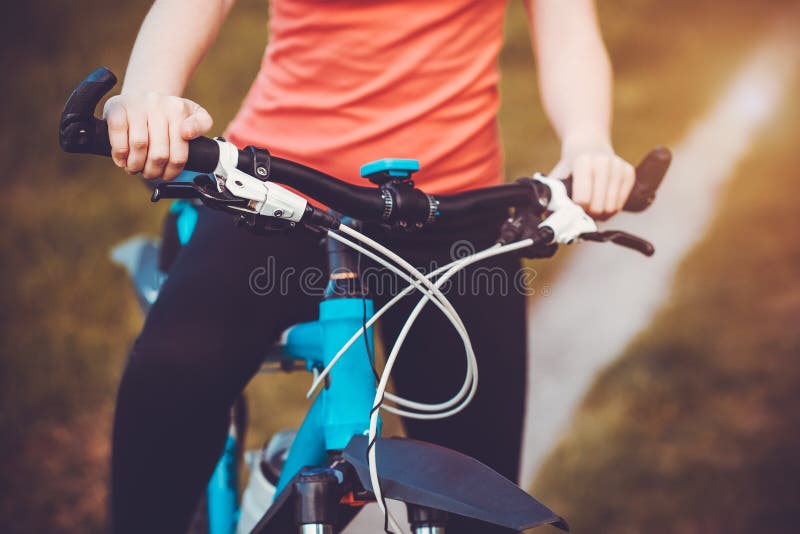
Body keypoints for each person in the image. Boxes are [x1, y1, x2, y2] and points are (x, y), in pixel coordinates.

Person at [105, 1, 636, 532]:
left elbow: (566, 22)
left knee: (482, 503)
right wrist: (151, 92)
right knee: (169, 377)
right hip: (280, 194)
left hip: (452, 211)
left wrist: (588, 138)